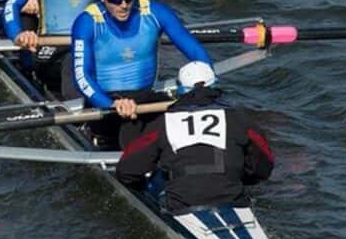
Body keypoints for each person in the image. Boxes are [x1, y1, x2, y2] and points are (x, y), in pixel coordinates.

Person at [71, 0, 212, 146]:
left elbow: (195, 51)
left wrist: (205, 81)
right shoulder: (86, 22)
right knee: (132, 129)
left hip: (146, 99)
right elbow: (82, 76)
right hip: (105, 102)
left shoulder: (156, 12)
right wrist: (110, 104)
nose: (124, 5)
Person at [115, 61, 275, 214]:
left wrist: (139, 185)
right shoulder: (239, 119)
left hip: (181, 204)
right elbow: (265, 164)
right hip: (233, 199)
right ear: (214, 86)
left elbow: (127, 171)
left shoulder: (164, 122)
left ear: (180, 89)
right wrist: (244, 177)